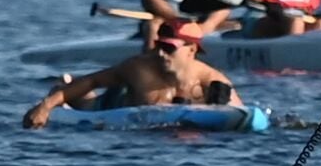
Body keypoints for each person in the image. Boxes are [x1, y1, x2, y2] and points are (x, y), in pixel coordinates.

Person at [24, 17, 238, 126]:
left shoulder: (214, 80)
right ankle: (62, 86)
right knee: (86, 102)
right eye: (159, 46)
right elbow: (93, 81)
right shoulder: (139, 68)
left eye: (169, 48)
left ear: (192, 50)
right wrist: (46, 106)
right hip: (114, 106)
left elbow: (243, 116)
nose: (160, 53)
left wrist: (222, 107)